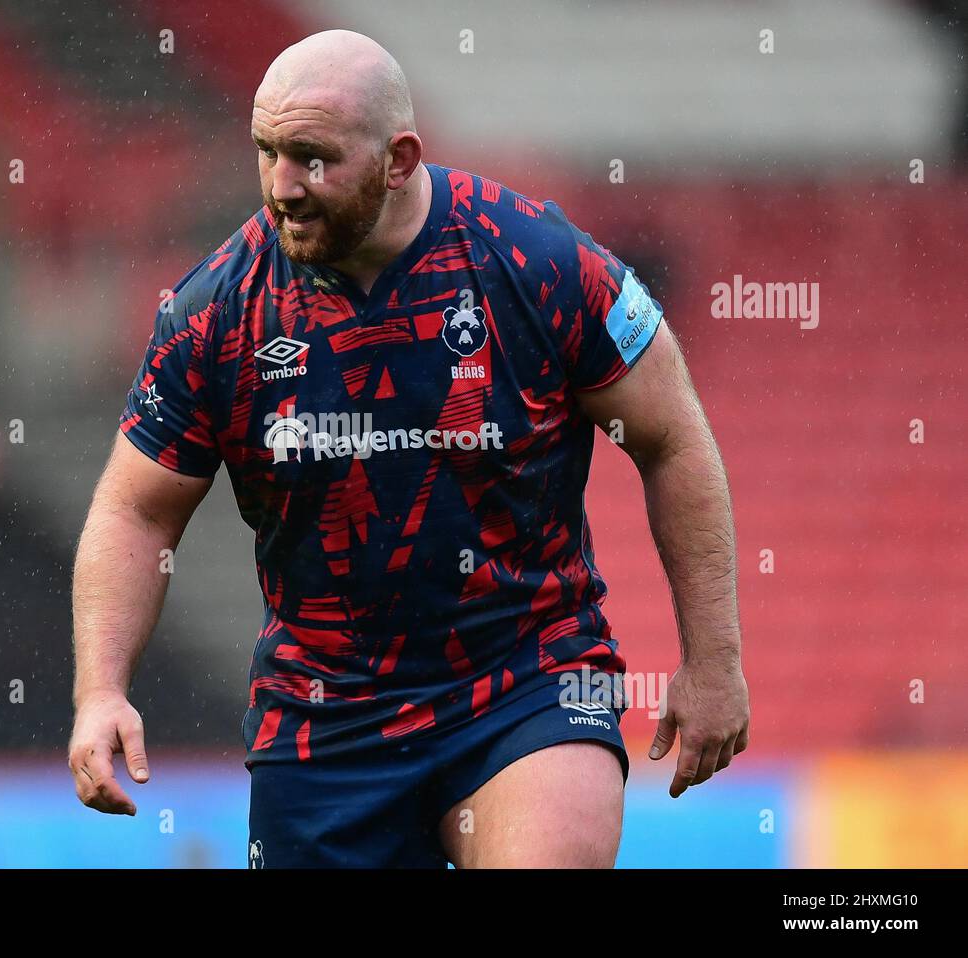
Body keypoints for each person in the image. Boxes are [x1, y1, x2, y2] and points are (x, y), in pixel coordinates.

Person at [69, 29, 750, 868]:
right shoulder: (217, 310)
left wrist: (712, 661)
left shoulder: (537, 262)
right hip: (324, 714)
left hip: (528, 681)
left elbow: (672, 437)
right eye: (267, 153)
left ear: (399, 159)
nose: (282, 186)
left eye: (312, 158)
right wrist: (100, 690)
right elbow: (136, 510)